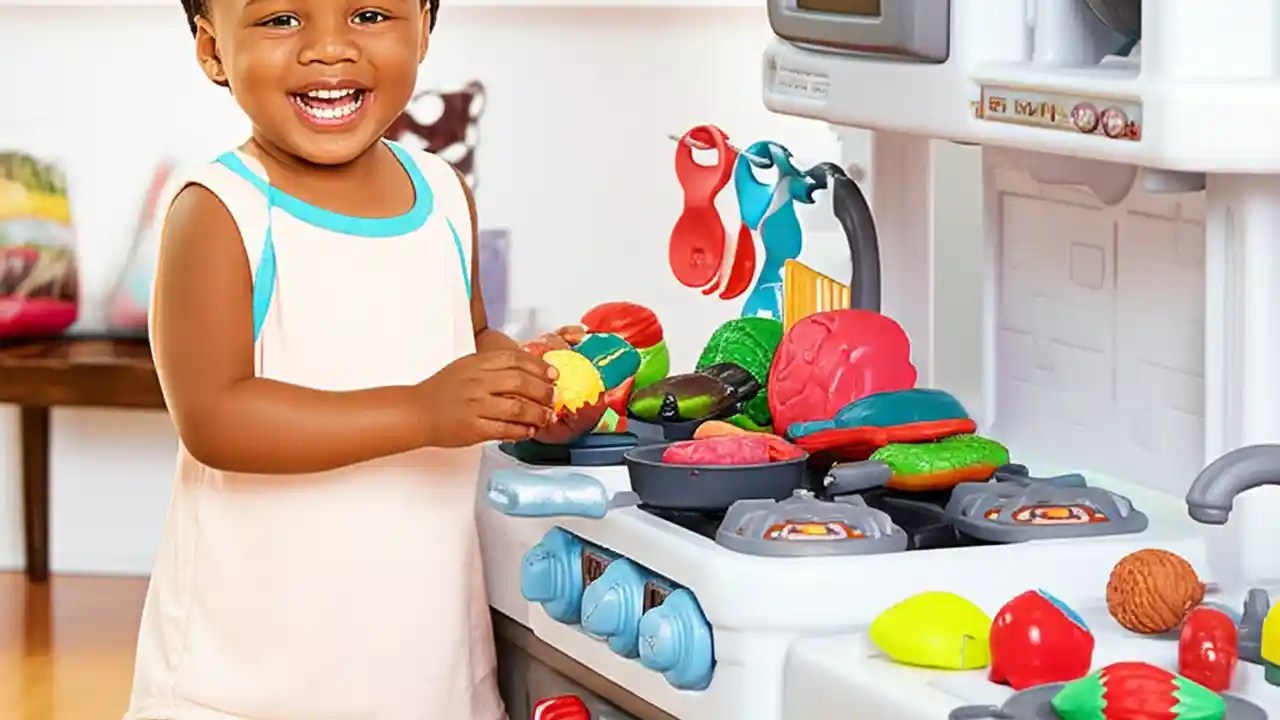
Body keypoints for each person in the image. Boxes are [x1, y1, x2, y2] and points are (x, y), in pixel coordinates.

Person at [126, 1, 569, 717]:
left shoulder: (443, 194)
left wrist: (524, 380)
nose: (329, 49)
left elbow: (468, 337)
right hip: (246, 683)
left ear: (424, 28)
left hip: (426, 671)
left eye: (368, 13)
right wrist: (422, 411)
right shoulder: (222, 211)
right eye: (281, 20)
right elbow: (215, 417)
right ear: (212, 49)